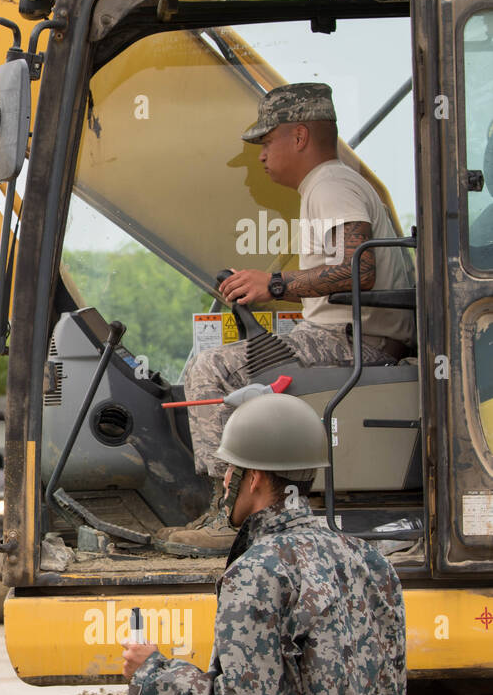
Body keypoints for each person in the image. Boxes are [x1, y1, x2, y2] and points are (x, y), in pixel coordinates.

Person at [157, 82, 417, 554]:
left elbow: (358, 268)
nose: (260, 154)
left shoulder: (330, 183)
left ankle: (225, 512)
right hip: (350, 335)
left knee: (210, 368)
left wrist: (273, 285)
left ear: (299, 136)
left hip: (356, 344)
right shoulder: (332, 184)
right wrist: (268, 289)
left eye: (267, 139)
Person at [123, 393, 407, 695]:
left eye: (228, 471)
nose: (223, 482)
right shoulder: (371, 560)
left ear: (252, 477)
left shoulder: (259, 572)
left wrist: (152, 675)